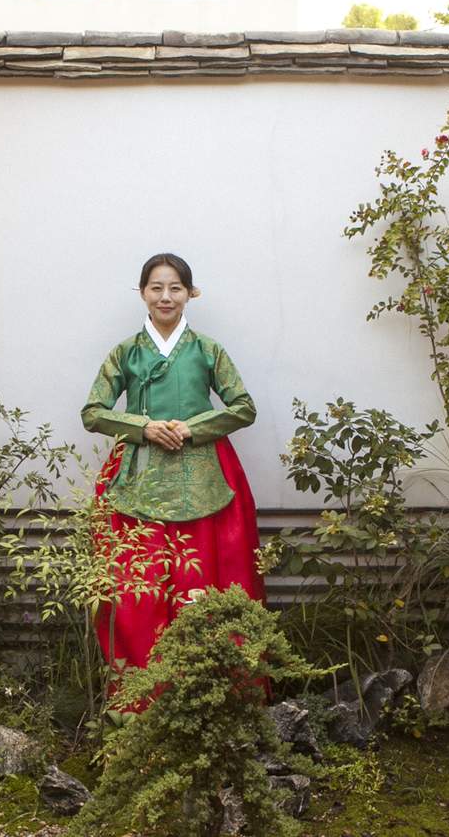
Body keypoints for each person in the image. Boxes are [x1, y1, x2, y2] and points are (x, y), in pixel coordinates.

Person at [81, 252, 268, 686]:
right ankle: (141, 691)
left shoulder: (207, 350)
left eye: (175, 288)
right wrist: (143, 426)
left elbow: (244, 408)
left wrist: (192, 428)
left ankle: (218, 687)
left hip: (205, 471)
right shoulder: (126, 354)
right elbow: (93, 412)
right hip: (138, 473)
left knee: (210, 578)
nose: (166, 297)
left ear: (190, 293)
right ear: (142, 293)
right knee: (136, 586)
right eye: (156, 288)